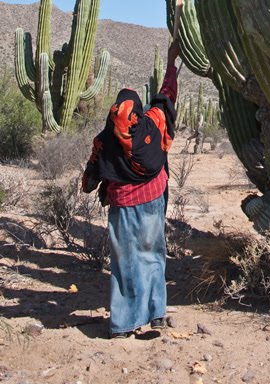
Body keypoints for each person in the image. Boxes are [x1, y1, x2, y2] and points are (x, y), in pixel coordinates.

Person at [82, 40, 180, 338]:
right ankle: (157, 315)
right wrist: (171, 63)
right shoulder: (150, 125)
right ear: (137, 111)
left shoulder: (105, 140)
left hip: (122, 207)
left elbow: (88, 181)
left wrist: (93, 183)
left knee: (125, 263)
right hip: (152, 202)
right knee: (153, 256)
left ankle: (124, 324)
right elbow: (165, 98)